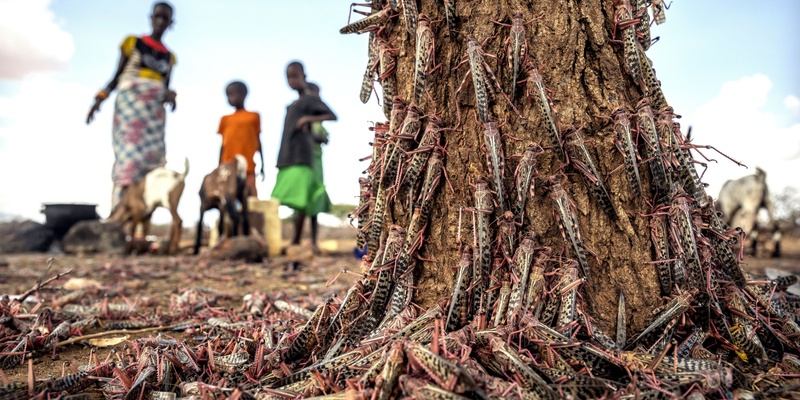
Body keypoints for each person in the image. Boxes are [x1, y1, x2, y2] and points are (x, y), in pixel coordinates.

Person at [86, 2, 177, 214]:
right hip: (130, 109)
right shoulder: (133, 43)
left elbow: (165, 87)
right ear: (151, 17)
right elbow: (116, 76)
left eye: (166, 18)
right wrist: (99, 99)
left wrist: (170, 96)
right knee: (128, 160)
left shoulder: (169, 57)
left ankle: (139, 222)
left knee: (152, 165)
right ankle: (119, 213)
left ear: (171, 23)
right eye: (158, 16)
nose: (161, 21)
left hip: (154, 116)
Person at [271, 62, 336, 257]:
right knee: (288, 198)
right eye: (288, 77)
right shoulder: (293, 104)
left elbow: (332, 115)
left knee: (301, 201)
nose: (292, 81)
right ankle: (296, 241)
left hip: (304, 156)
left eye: (295, 76)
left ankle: (297, 242)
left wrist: (307, 119)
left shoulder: (309, 100)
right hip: (288, 155)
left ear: (304, 76)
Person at [217, 81, 264, 197]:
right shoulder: (225, 119)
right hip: (228, 166)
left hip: (248, 166)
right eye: (227, 95)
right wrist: (219, 167)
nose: (229, 99)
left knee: (250, 196)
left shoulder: (253, 116)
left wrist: (263, 164)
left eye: (232, 94)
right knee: (227, 197)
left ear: (243, 94)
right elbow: (223, 144)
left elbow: (258, 141)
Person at [305, 82, 333, 247]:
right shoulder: (301, 117)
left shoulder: (318, 123)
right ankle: (299, 240)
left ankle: (313, 242)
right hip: (304, 161)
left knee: (315, 198)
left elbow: (325, 138)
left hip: (317, 162)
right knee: (302, 201)